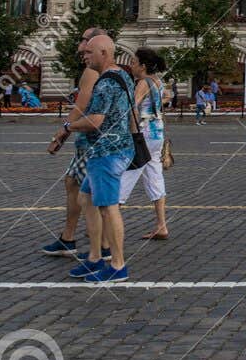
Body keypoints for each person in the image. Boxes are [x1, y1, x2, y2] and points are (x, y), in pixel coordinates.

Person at [65, 33, 133, 283]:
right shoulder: (122, 74)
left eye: (88, 52)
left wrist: (68, 127)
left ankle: (117, 264)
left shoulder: (105, 83)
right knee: (86, 198)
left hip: (107, 152)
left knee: (108, 208)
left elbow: (94, 121)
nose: (84, 55)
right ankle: (95, 258)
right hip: (111, 149)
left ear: (104, 53)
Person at [42, 26, 108, 260]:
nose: (79, 45)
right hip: (87, 138)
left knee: (91, 193)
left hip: (90, 138)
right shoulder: (95, 68)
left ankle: (103, 247)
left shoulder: (91, 71)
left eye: (83, 40)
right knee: (72, 183)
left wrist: (61, 133)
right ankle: (68, 238)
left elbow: (81, 105)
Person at [121, 47, 169, 241]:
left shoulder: (142, 82)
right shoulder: (158, 82)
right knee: (155, 176)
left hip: (143, 134)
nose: (131, 66)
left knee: (126, 175)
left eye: (133, 62)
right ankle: (161, 226)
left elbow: (131, 107)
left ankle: (106, 222)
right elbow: (163, 102)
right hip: (157, 134)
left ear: (142, 65)